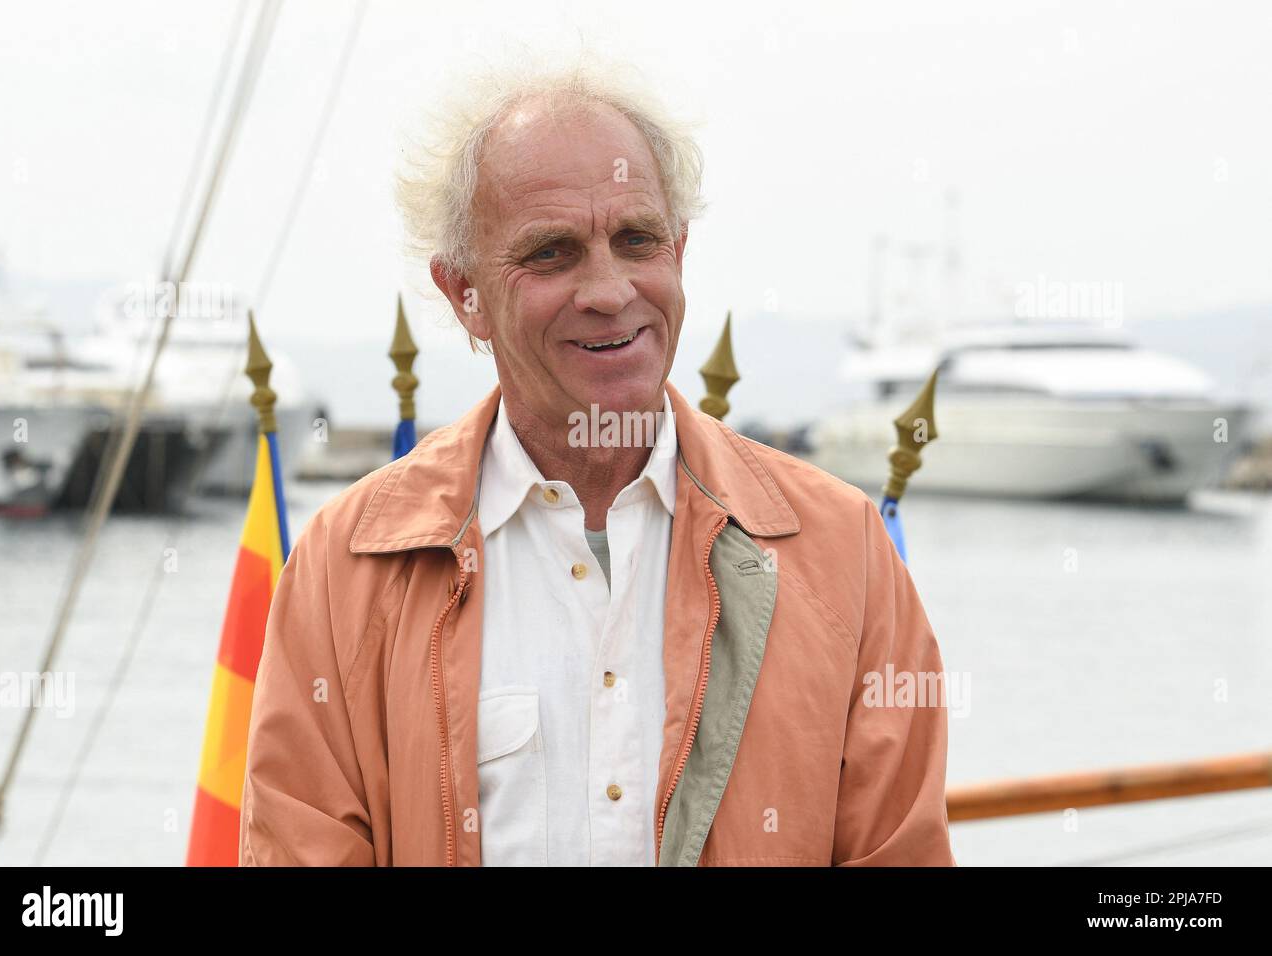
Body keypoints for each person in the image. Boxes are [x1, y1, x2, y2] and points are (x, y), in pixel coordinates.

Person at [240, 56, 955, 866]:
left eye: (637, 239)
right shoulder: (346, 569)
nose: (610, 290)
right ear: (461, 293)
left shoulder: (844, 556)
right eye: (552, 254)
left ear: (679, 253)